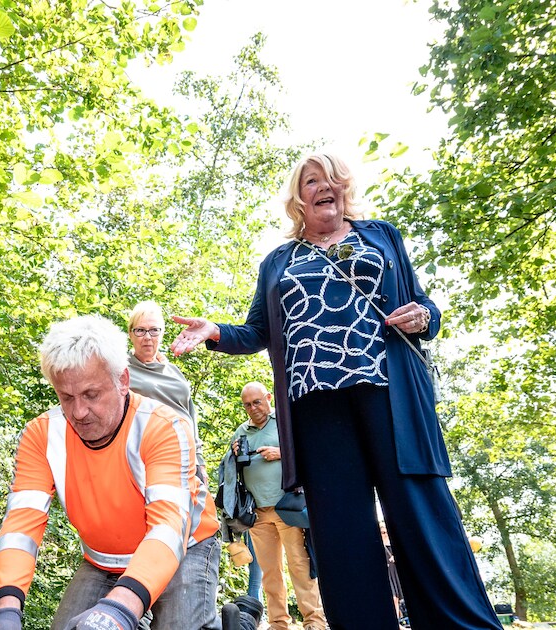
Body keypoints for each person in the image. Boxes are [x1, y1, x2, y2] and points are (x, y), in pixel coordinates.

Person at [169, 153, 500, 629]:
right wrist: (215, 331)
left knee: (420, 516)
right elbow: (258, 331)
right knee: (343, 535)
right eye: (311, 181)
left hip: (389, 395)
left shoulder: (381, 236)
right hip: (315, 409)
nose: (323, 186)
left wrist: (425, 317)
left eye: (330, 178)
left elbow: (424, 304)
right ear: (299, 198)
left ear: (344, 188)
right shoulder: (278, 262)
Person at [0, 315, 222, 630]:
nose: (79, 412)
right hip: (105, 559)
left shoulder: (163, 426)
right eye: (66, 397)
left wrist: (119, 610)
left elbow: (168, 527)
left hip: (185, 548)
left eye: (91, 394)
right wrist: (4, 613)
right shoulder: (41, 435)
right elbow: (21, 527)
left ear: (123, 381)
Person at [229, 382, 325, 630]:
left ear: (268, 398)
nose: (253, 408)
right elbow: (230, 473)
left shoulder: (284, 421)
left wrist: (281, 452)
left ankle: (314, 621)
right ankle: (278, 622)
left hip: (286, 508)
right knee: (270, 572)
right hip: (257, 514)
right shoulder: (241, 431)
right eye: (247, 405)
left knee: (299, 565)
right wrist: (233, 453)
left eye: (257, 402)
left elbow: (308, 450)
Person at [123, 301, 206, 481]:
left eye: (154, 330)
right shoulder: (121, 372)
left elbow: (190, 414)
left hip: (188, 457)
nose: (147, 337)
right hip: (148, 459)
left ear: (162, 333)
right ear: (130, 334)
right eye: (140, 330)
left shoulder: (173, 371)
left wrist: (200, 461)